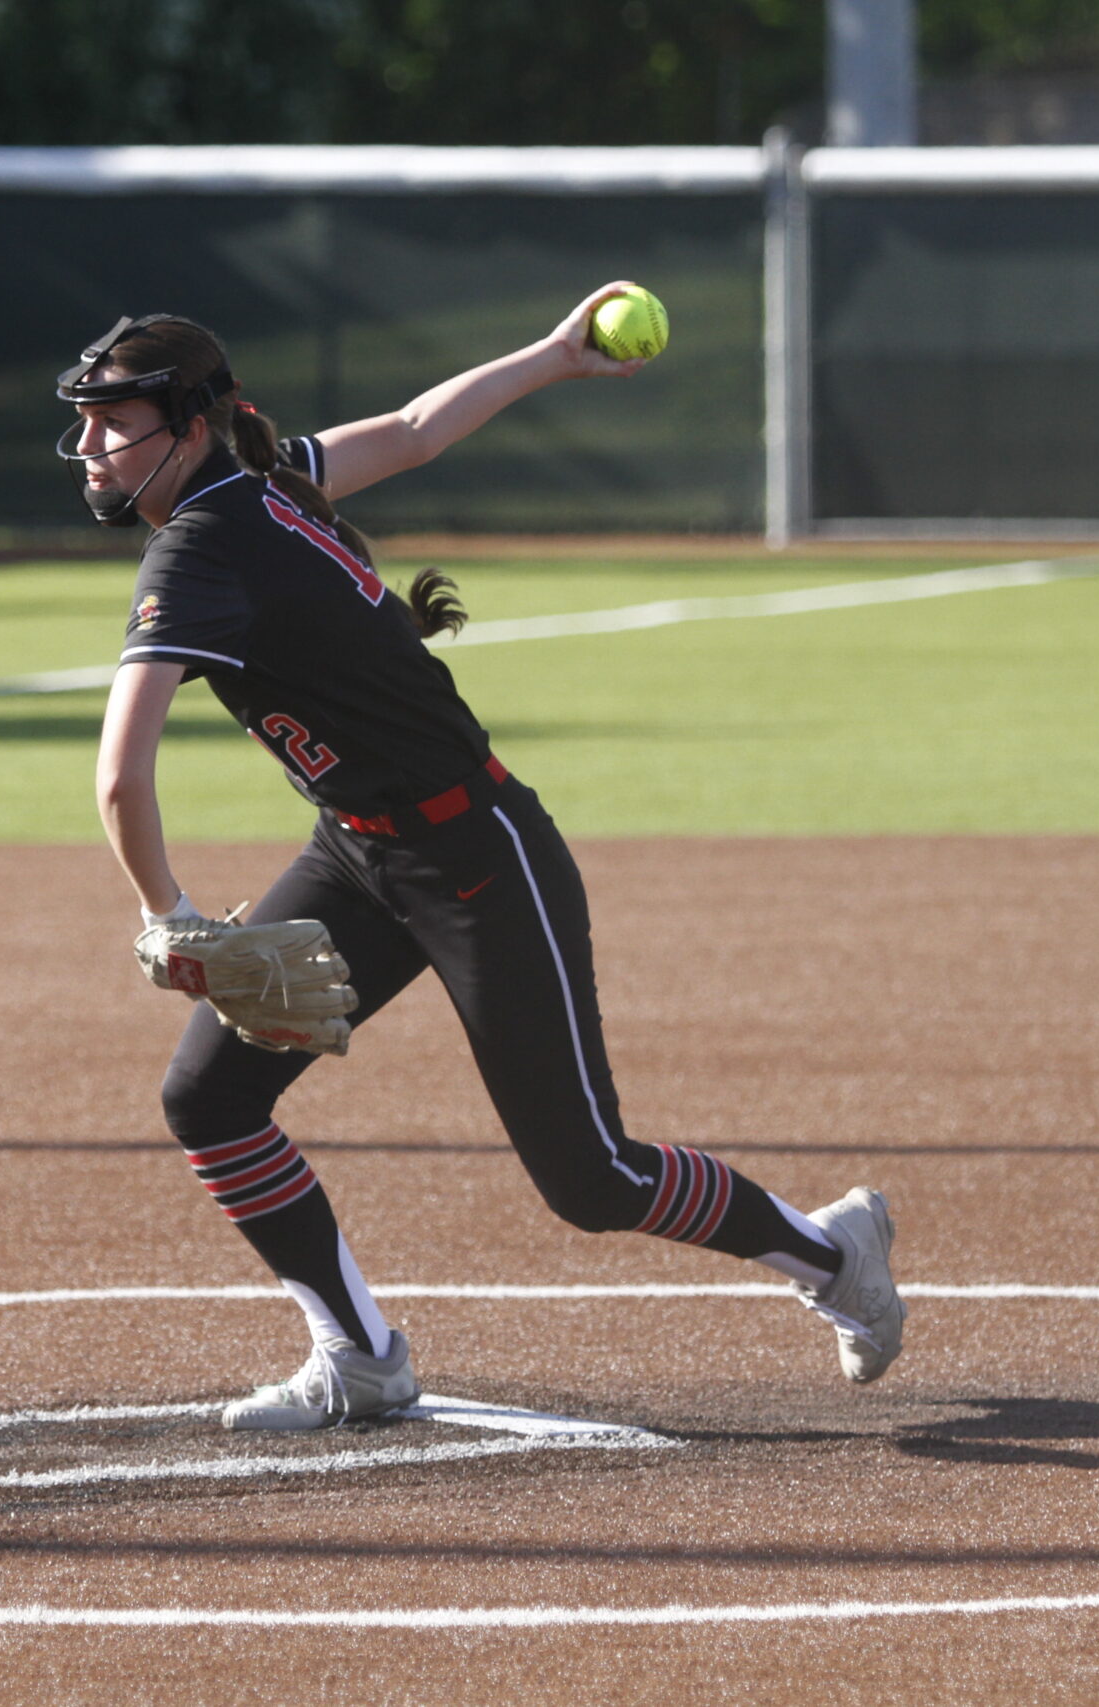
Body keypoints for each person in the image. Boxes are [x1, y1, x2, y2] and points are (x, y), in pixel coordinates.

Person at [65, 283, 905, 1430]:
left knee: (591, 1180)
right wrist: (553, 354)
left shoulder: (202, 544)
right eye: (85, 420)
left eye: (115, 420)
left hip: (478, 854)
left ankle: (828, 1250)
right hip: (359, 853)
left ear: (195, 426)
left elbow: (120, 773)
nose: (90, 444)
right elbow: (414, 432)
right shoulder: (258, 482)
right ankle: (358, 1354)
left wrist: (167, 916)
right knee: (210, 1099)